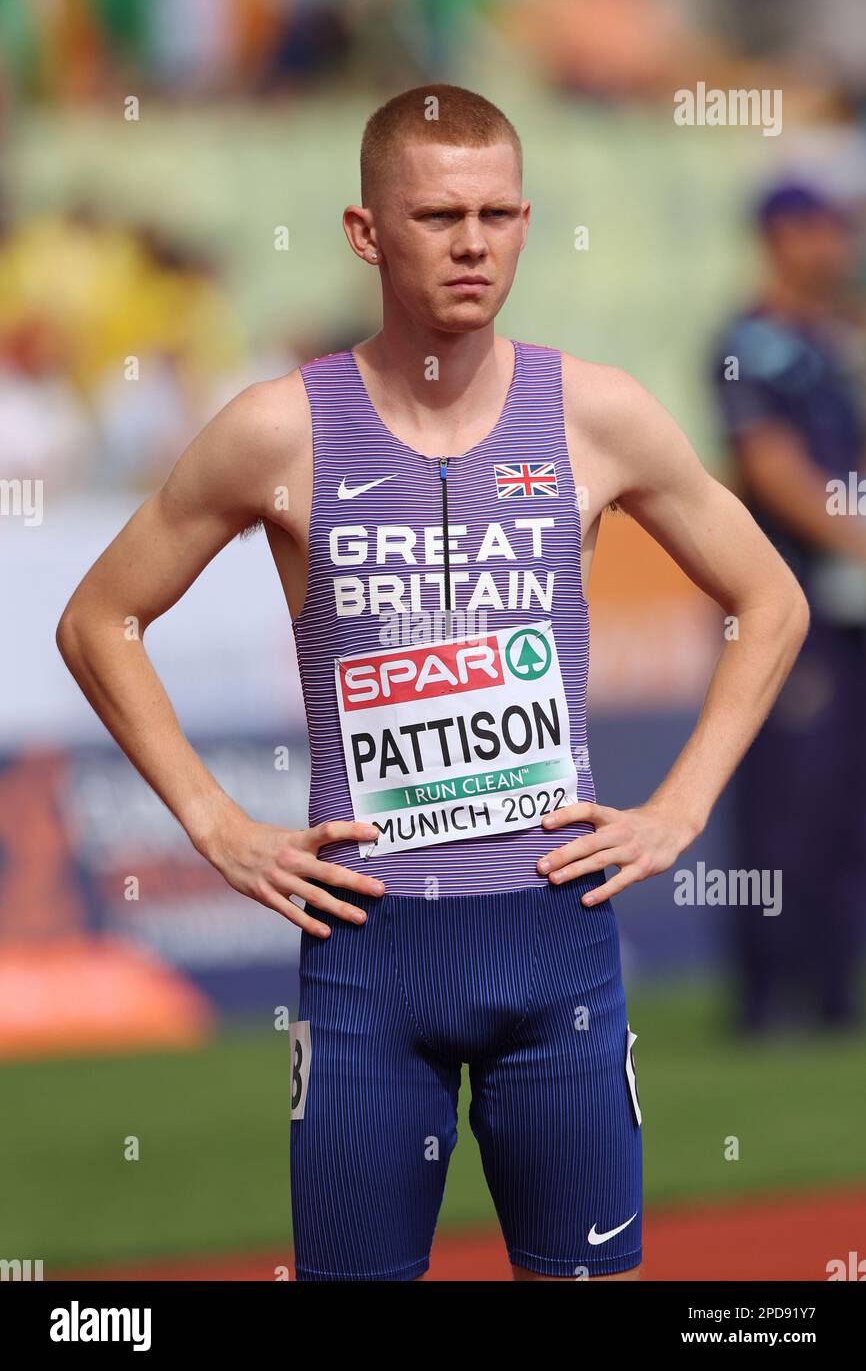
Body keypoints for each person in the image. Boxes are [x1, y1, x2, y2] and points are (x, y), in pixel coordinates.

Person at [57, 84, 808, 1282]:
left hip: (552, 934)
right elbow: (101, 620)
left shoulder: (597, 414)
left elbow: (769, 598)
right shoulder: (277, 430)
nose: (472, 242)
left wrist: (680, 806)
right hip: (367, 954)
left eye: (498, 212)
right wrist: (214, 825)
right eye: (438, 215)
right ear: (365, 233)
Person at [713, 182, 866, 1033]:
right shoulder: (749, 344)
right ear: (777, 236)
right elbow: (772, 470)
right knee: (787, 803)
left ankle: (835, 991)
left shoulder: (837, 342)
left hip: (847, 609)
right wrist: (857, 538)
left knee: (846, 805)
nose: (833, 246)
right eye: (816, 229)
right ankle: (769, 1001)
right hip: (784, 605)